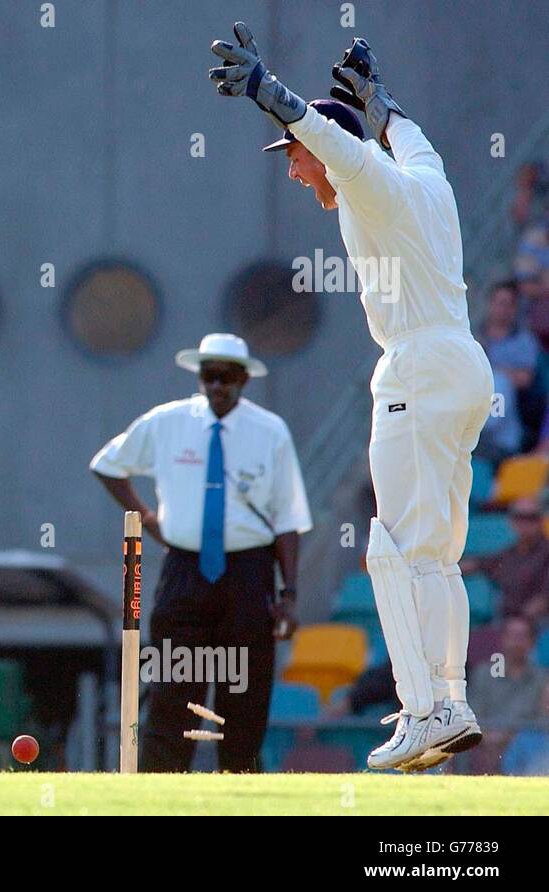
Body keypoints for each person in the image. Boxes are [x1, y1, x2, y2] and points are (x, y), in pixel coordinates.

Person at [210, 25, 494, 771]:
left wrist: (271, 94)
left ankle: (423, 710)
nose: (297, 173)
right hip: (463, 366)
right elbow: (412, 135)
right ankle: (451, 698)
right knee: (438, 553)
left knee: (396, 552)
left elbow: (337, 147)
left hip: (417, 368)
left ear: (330, 145)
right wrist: (380, 97)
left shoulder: (368, 181)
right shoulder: (424, 179)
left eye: (295, 157)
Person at [91, 333, 312, 772]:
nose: (217, 385)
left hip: (249, 570)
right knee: (174, 683)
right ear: (199, 377)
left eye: (227, 376)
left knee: (244, 691)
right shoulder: (168, 421)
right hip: (185, 569)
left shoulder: (270, 431)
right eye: (209, 375)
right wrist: (149, 520)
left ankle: (239, 785)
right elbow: (107, 464)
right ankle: (160, 788)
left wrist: (289, 595)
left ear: (244, 379)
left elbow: (288, 518)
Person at [464, 616, 547, 773]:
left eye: (522, 637)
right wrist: (489, 741)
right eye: (513, 636)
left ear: (532, 642)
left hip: (525, 749)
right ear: (502, 639)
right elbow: (471, 716)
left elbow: (541, 721)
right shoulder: (484, 674)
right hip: (483, 745)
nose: (517, 643)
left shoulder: (542, 678)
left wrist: (508, 739)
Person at [475, 281, 541, 457]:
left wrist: (494, 371)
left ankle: (487, 431)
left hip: (508, 411)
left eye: (507, 304)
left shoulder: (523, 340)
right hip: (475, 395)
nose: (502, 309)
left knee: (500, 382)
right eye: (498, 302)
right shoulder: (474, 335)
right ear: (490, 304)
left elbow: (525, 378)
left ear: (514, 308)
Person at [459, 497, 549, 623]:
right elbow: (480, 564)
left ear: (541, 520)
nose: (525, 522)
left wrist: (520, 620)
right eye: (520, 517)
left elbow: (543, 601)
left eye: (532, 517)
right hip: (510, 624)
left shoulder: (546, 554)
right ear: (512, 521)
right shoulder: (510, 554)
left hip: (538, 627)